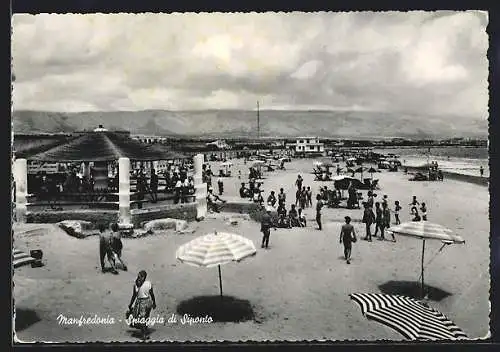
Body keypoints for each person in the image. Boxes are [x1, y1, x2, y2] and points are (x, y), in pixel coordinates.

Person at [127, 270, 157, 340]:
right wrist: (154, 302)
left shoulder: (136, 285)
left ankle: (144, 333)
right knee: (146, 317)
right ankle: (144, 332)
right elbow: (152, 294)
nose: (139, 278)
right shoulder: (148, 283)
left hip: (141, 303)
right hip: (148, 302)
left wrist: (130, 304)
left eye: (140, 276)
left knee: (142, 318)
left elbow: (134, 296)